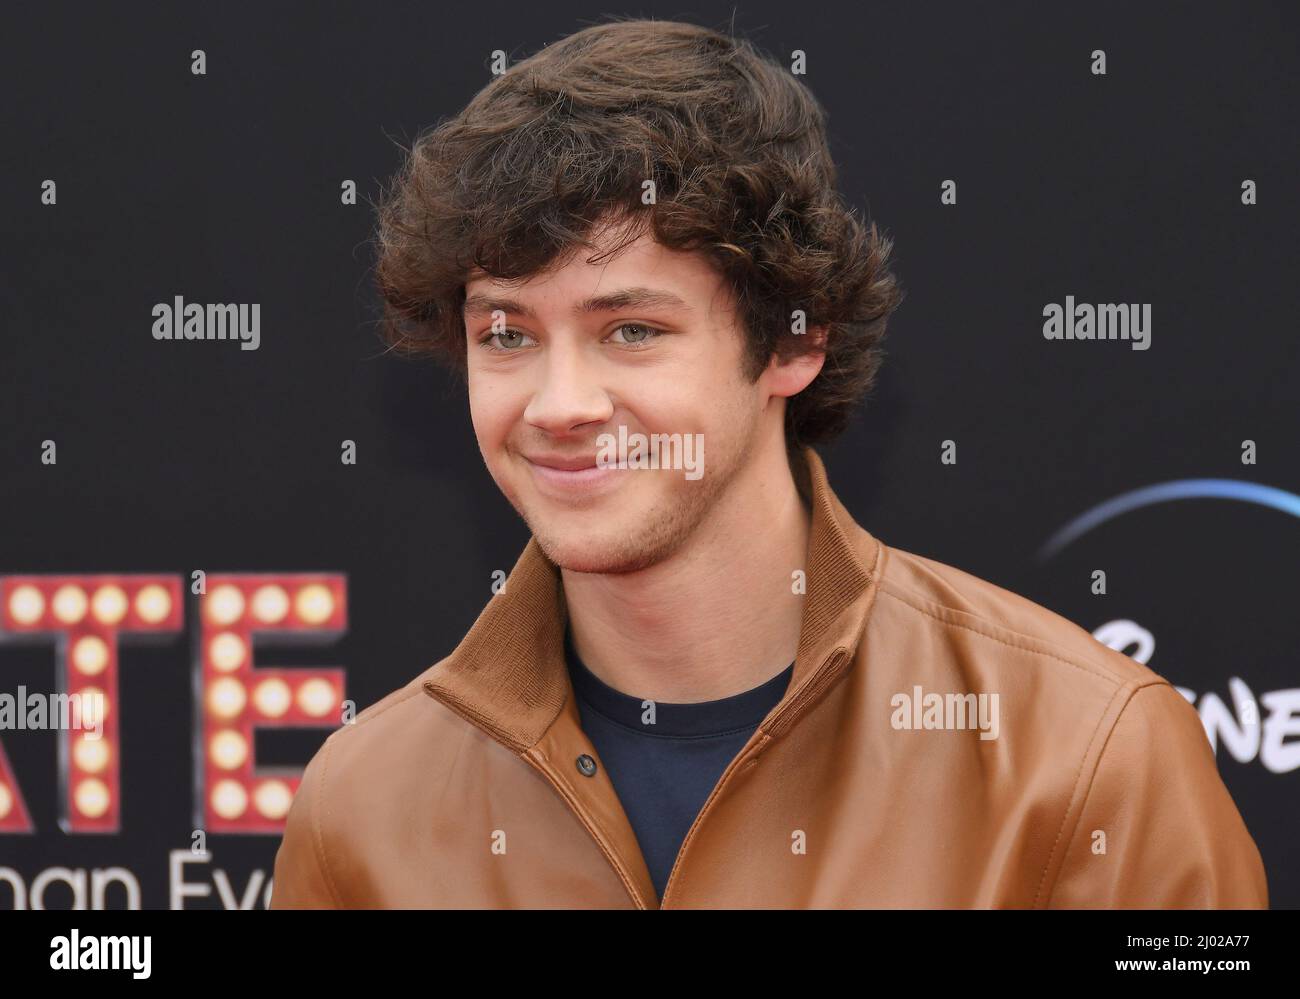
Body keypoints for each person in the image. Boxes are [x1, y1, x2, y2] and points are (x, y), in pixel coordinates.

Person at [270, 17, 1267, 908]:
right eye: (507, 336)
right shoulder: (364, 806)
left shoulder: (1086, 759)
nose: (559, 406)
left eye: (630, 331)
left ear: (793, 344)